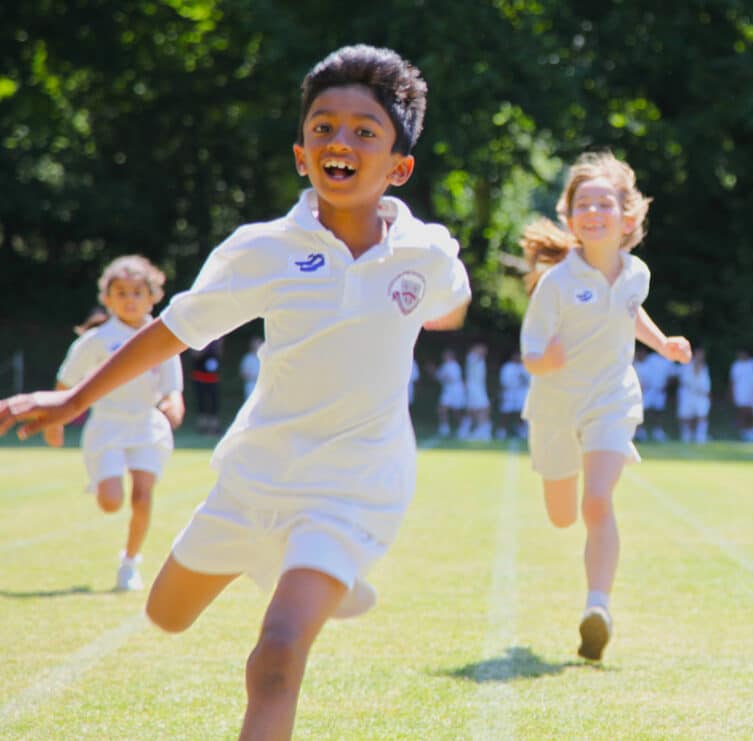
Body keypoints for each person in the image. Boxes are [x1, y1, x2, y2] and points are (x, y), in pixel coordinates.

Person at [0, 45, 471, 741]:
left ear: (399, 166)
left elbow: (453, 301)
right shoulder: (263, 250)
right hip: (256, 475)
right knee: (166, 612)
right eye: (323, 127)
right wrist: (71, 402)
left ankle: (317, 571)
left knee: (278, 653)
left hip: (355, 485)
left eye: (364, 131)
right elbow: (170, 332)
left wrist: (431, 313)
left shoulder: (426, 253)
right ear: (300, 153)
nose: (340, 140)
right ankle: (285, 562)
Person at [519, 151, 691, 661]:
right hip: (555, 407)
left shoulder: (637, 272)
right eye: (583, 205)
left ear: (627, 217)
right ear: (571, 218)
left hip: (612, 400)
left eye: (604, 204)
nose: (593, 212)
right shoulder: (556, 284)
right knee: (560, 516)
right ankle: (593, 589)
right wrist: (546, 360)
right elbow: (531, 353)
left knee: (597, 502)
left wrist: (663, 345)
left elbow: (630, 311)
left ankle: (598, 608)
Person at [43, 255, 185, 591]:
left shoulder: (163, 336)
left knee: (142, 498)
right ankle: (102, 482)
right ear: (107, 299)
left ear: (152, 296)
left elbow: (172, 386)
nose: (129, 299)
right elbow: (66, 382)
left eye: (137, 292)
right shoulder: (95, 341)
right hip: (106, 426)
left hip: (147, 427)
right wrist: (54, 421)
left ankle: (130, 564)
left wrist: (173, 403)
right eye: (120, 293)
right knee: (110, 502)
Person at [635, 345, 672, 442]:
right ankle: (640, 431)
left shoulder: (665, 360)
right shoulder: (649, 360)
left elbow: (669, 375)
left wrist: (664, 385)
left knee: (658, 411)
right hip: (644, 392)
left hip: (657, 391)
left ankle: (657, 431)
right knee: (642, 411)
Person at [676, 346, 711, 444]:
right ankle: (686, 436)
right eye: (698, 354)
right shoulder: (686, 366)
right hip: (688, 395)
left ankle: (700, 437)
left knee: (702, 416)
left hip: (701, 396)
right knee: (686, 416)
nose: (700, 357)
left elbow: (706, 383)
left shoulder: (705, 367)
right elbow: (682, 380)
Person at [190, 338, 223, 435]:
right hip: (200, 378)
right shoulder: (197, 340)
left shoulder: (216, 342)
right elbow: (195, 355)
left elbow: (220, 353)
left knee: (214, 403)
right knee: (202, 403)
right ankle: (203, 426)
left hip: (213, 379)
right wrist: (205, 347)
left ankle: (214, 427)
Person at [497, 350, 529, 440]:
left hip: (521, 393)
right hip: (509, 392)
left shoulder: (525, 367)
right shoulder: (507, 367)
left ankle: (521, 430)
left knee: (521, 412)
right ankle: (502, 431)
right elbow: (504, 381)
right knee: (506, 412)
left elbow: (529, 381)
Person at [434, 348, 466, 438]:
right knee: (441, 409)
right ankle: (444, 428)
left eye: (446, 355)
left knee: (456, 412)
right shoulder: (445, 365)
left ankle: (463, 427)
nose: (444, 357)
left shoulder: (454, 366)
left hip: (456, 391)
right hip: (447, 391)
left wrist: (442, 377)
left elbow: (451, 379)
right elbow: (438, 377)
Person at [463, 341, 492, 440]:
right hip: (474, 387)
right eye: (482, 349)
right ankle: (480, 429)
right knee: (483, 407)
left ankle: (473, 429)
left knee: (474, 409)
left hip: (479, 387)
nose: (484, 352)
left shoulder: (480, 359)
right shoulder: (472, 357)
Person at [729, 349, 753, 441]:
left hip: (752, 392)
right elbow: (733, 381)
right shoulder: (736, 365)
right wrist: (733, 394)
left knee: (751, 413)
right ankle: (744, 432)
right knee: (742, 413)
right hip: (740, 393)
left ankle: (752, 431)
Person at [239, 336, 263, 400]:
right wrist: (255, 378)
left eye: (260, 343)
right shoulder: (248, 358)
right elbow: (243, 374)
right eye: (257, 343)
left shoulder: (264, 357)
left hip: (263, 388)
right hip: (251, 387)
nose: (259, 345)